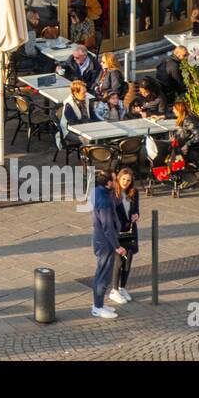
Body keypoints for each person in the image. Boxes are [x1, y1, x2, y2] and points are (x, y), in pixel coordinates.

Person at [90, 169, 125, 319]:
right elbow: (108, 227)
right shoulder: (103, 200)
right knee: (103, 275)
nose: (116, 182)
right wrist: (117, 246)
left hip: (100, 239)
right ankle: (97, 307)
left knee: (102, 273)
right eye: (115, 180)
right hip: (105, 243)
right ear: (109, 183)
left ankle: (99, 304)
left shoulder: (99, 191)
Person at [108, 168, 140, 306]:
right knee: (119, 262)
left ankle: (122, 288)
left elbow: (136, 209)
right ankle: (114, 290)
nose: (126, 182)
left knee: (128, 262)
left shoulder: (134, 193)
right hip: (116, 234)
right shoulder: (112, 195)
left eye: (128, 180)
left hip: (130, 232)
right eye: (123, 179)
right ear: (118, 179)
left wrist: (136, 215)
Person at [59, 80, 93, 151]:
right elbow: (74, 124)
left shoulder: (86, 99)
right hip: (70, 131)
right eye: (83, 93)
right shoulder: (69, 104)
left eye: (86, 91)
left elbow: (92, 115)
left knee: (100, 137)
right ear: (75, 93)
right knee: (89, 140)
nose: (85, 94)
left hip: (86, 127)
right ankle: (87, 157)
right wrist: (88, 123)